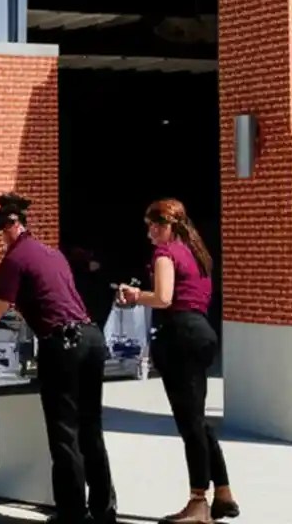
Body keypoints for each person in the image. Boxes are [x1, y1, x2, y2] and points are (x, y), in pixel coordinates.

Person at [0, 193, 115, 524]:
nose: (1, 240)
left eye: (0, 233)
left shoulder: (17, 258)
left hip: (62, 345)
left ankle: (71, 514)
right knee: (90, 429)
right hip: (91, 337)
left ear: (11, 226)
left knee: (64, 434)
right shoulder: (53, 254)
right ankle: (104, 510)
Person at [117, 200, 238, 522]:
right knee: (197, 419)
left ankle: (198, 502)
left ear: (172, 225)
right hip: (202, 332)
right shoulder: (197, 253)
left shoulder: (165, 254)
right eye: (149, 226)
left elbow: (164, 298)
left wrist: (134, 295)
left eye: (156, 226)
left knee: (189, 425)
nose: (151, 233)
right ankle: (222, 492)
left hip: (180, 335)